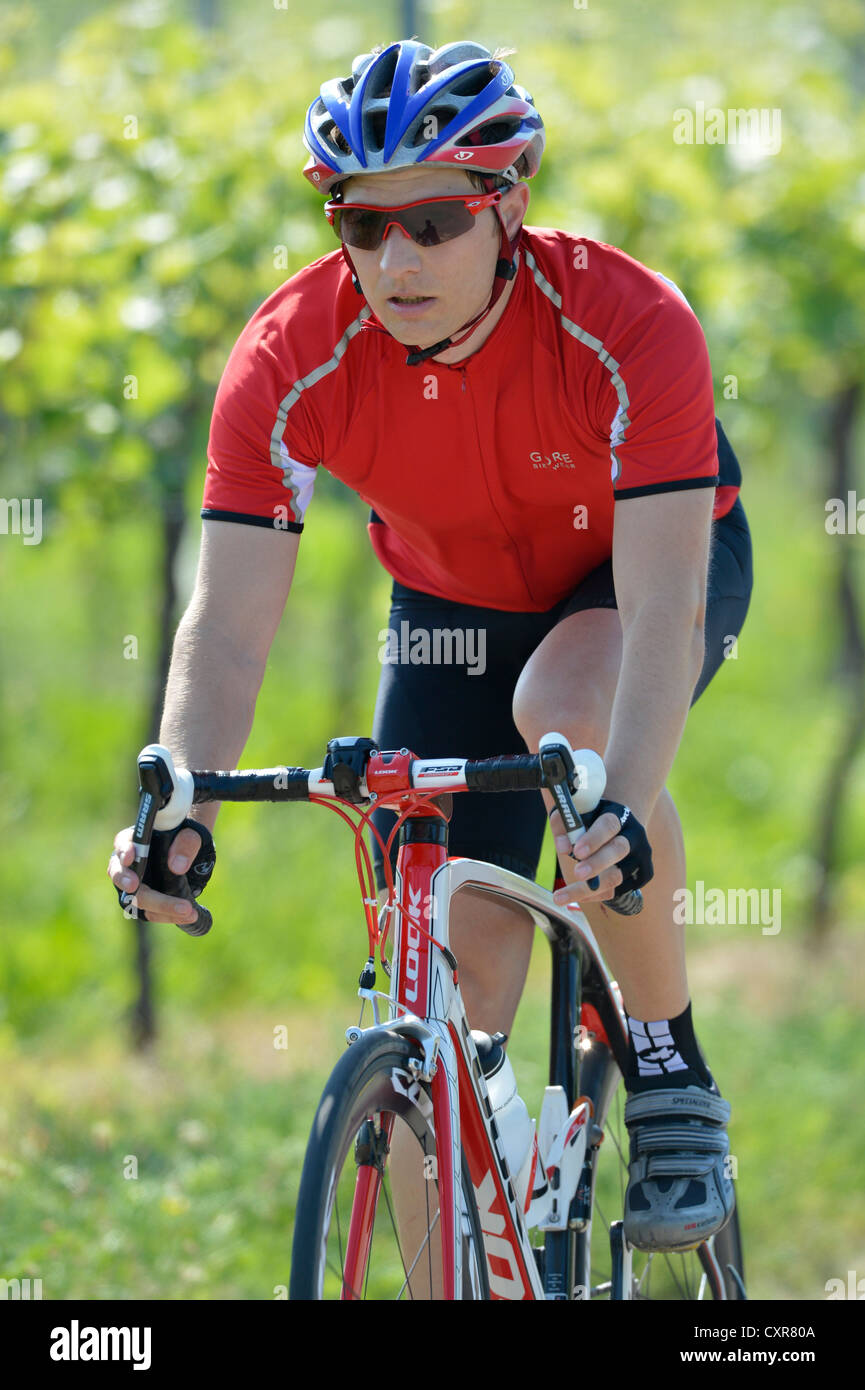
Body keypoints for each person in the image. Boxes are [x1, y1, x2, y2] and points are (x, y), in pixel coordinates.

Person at [108, 38, 752, 1256]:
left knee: (568, 708)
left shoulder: (628, 323)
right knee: (431, 1032)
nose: (395, 260)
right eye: (363, 227)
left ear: (507, 206)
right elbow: (231, 624)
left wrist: (619, 795)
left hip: (634, 577)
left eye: (437, 221)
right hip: (451, 617)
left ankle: (669, 1078)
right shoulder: (289, 357)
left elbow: (660, 609)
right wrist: (178, 794)